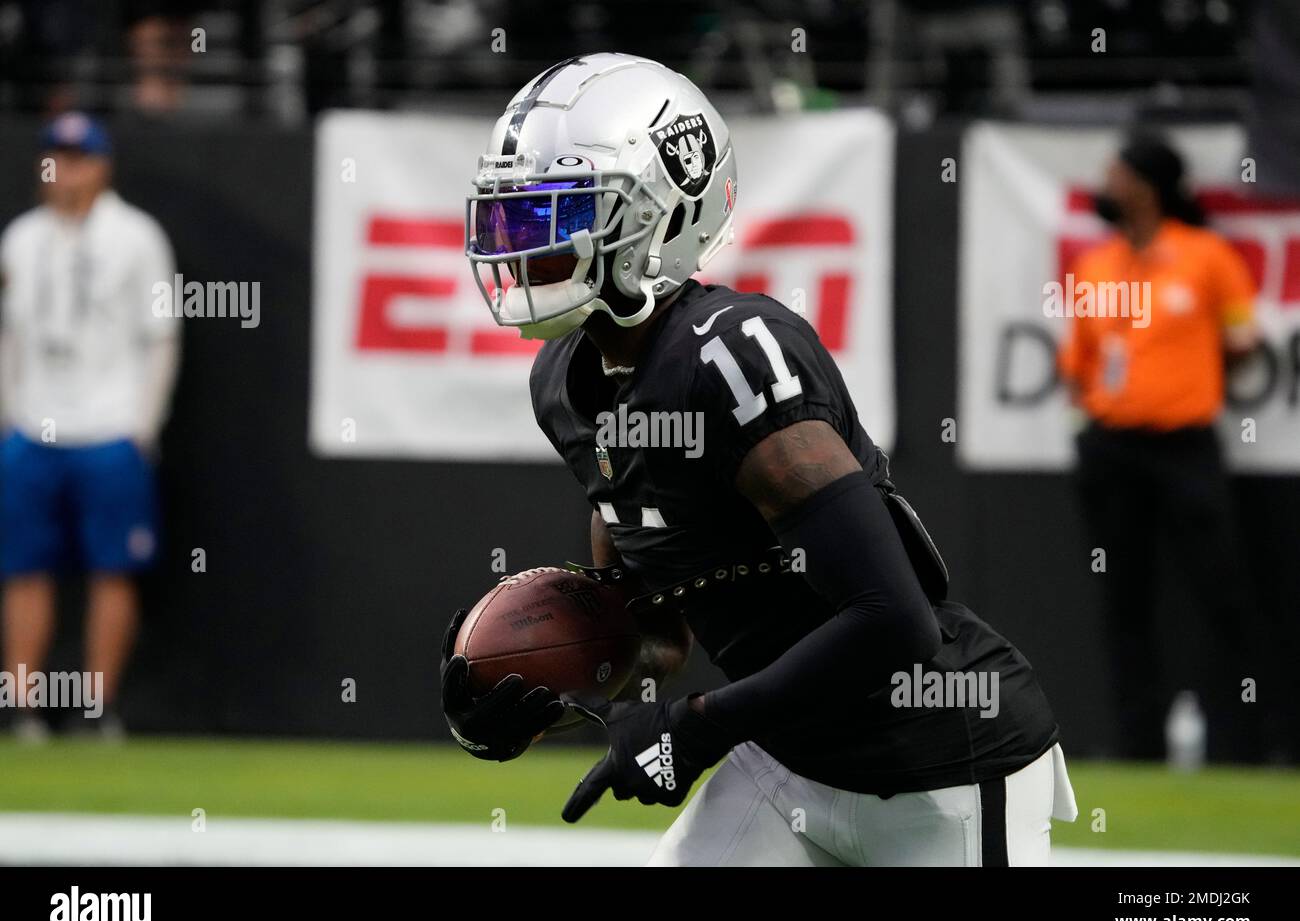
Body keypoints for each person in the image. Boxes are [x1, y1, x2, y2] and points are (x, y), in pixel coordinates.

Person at [442, 53, 1076, 865]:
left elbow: (894, 618)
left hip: (938, 761)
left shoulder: (732, 354)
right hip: (783, 755)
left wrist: (698, 727)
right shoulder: (564, 384)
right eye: (516, 217)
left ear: (668, 213)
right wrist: (543, 692)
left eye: (560, 214)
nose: (526, 244)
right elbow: (655, 631)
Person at [1058, 134, 1264, 761]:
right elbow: (1079, 360)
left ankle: (1241, 744)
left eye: (1116, 173)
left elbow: (1244, 337)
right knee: (1124, 597)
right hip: (1113, 449)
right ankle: (1137, 747)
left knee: (1220, 592)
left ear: (1146, 188)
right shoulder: (1096, 266)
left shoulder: (1205, 256)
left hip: (1185, 445)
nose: (1105, 183)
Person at [0, 112, 180, 740]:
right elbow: (9, 338)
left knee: (113, 568)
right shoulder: (21, 239)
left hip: (109, 426)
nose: (63, 169)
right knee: (22, 567)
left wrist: (142, 426)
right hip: (31, 428)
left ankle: (97, 708)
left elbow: (161, 337)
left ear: (102, 167)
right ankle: (23, 709)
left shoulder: (137, 237)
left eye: (77, 158)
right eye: (53, 156)